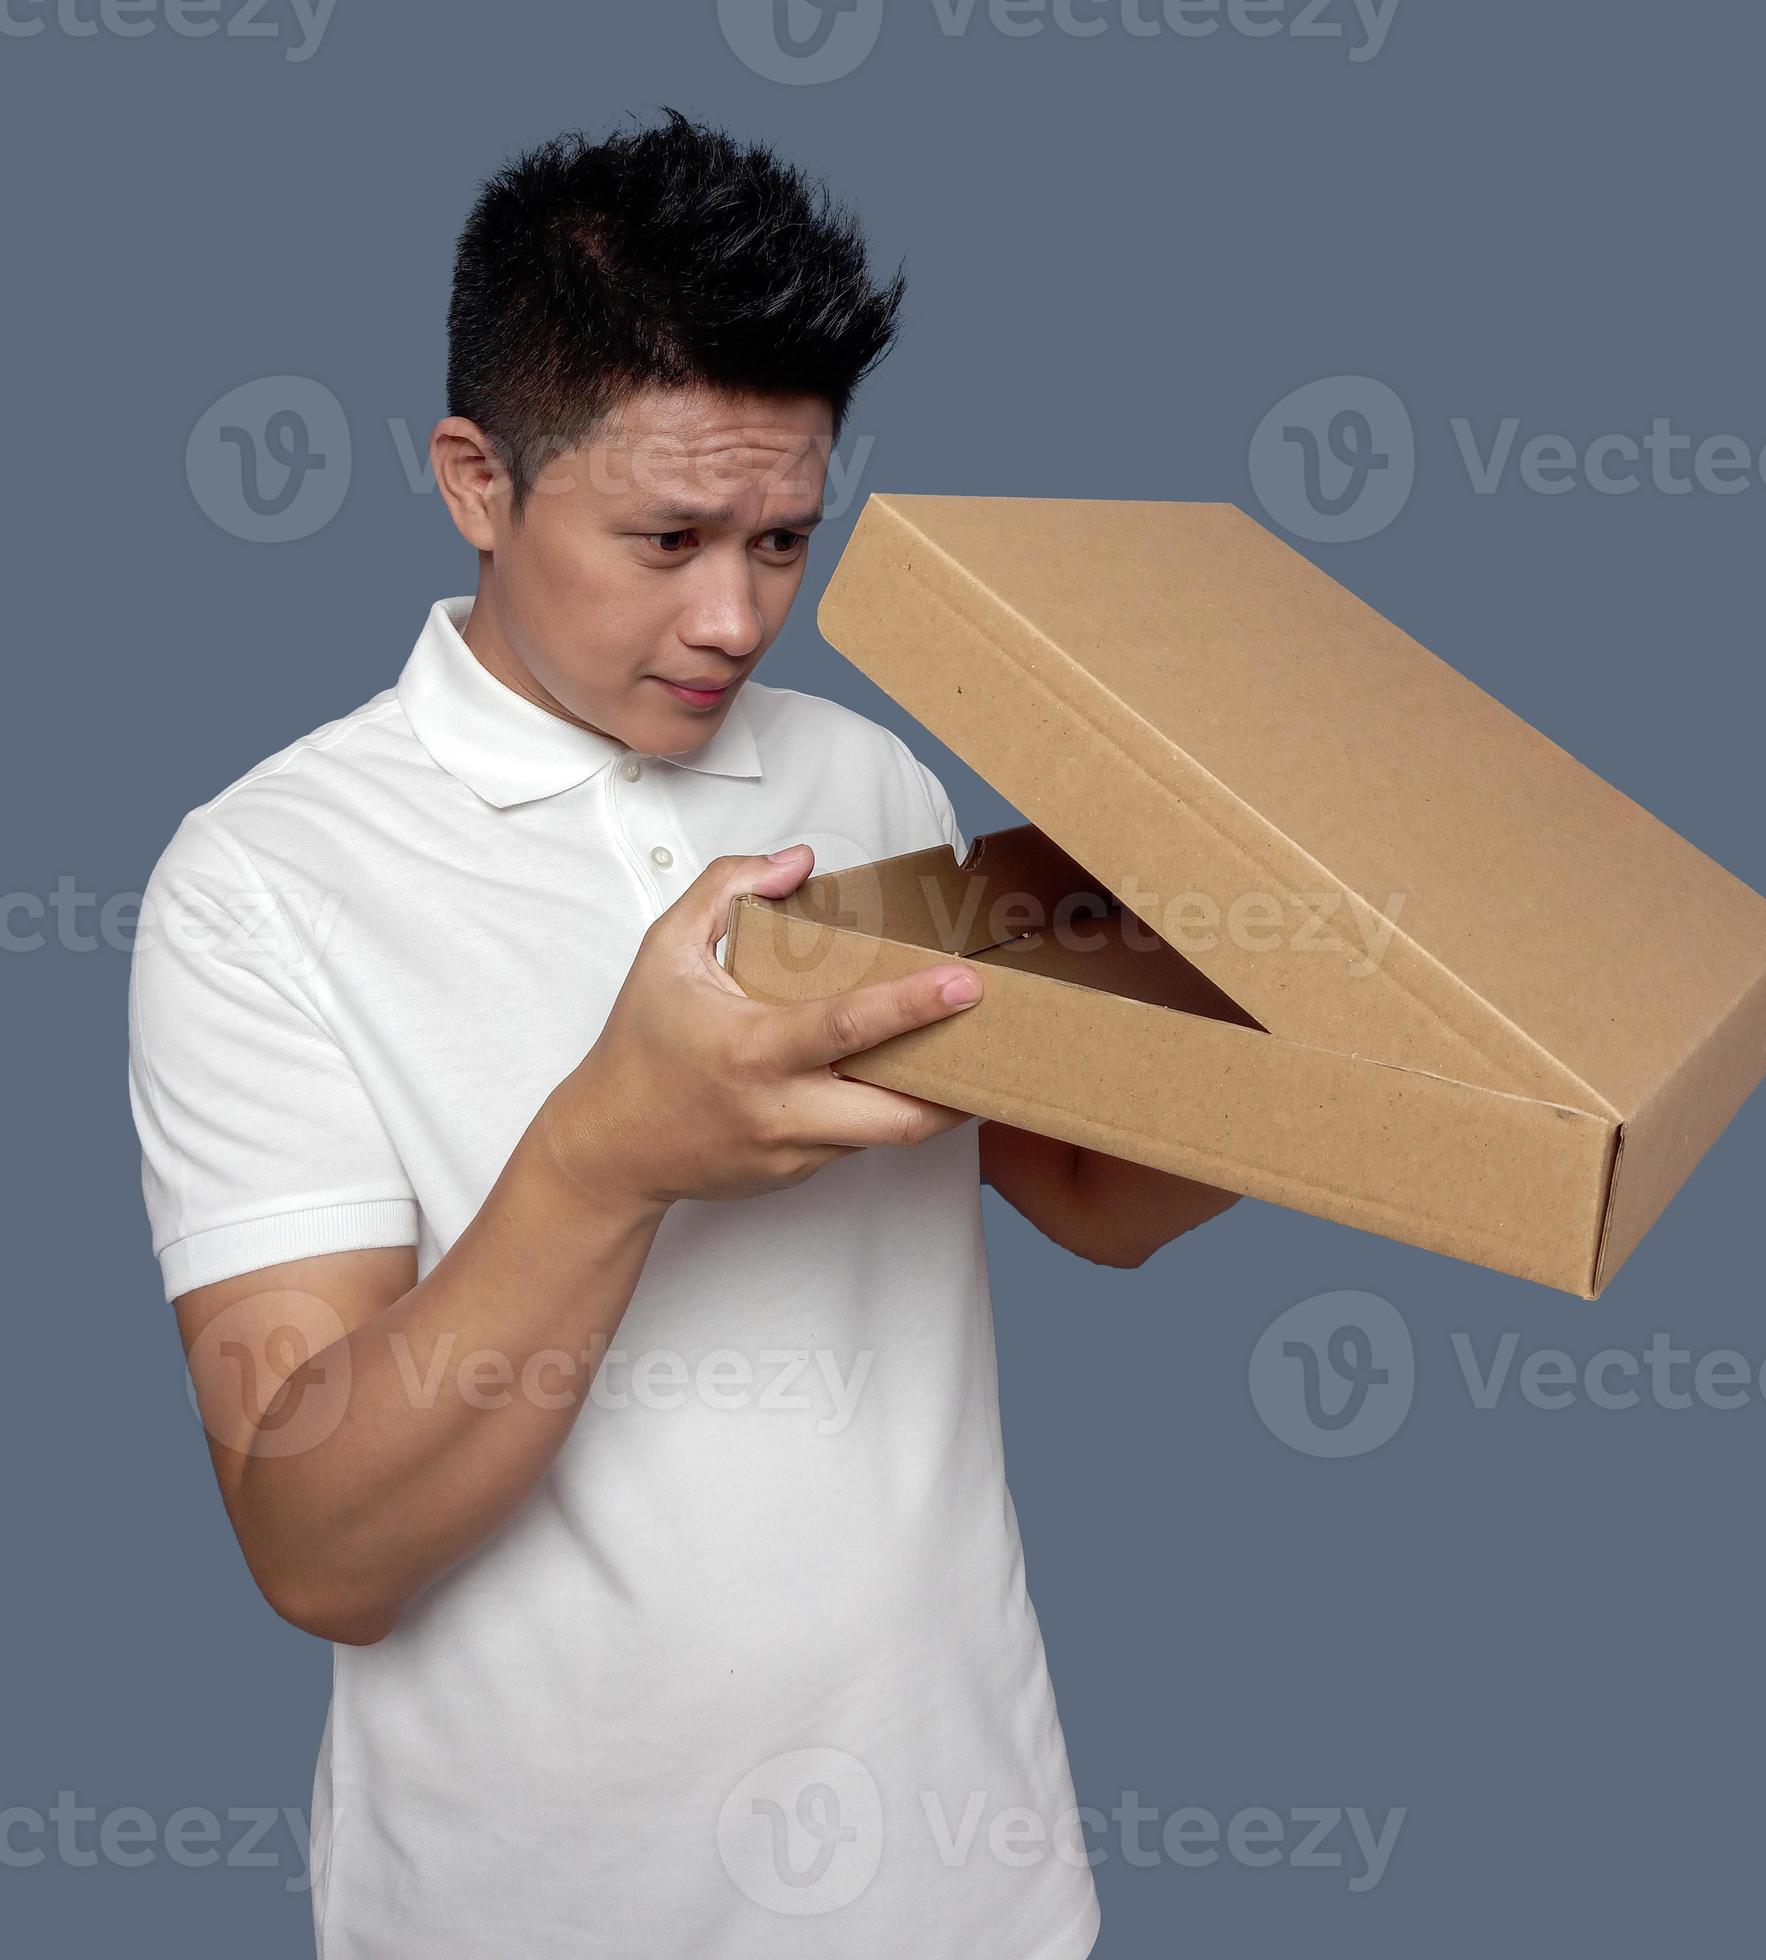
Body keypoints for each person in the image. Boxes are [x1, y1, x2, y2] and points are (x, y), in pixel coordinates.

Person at [126, 109, 1232, 1957]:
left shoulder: (862, 776)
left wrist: (1328, 1042)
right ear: (476, 482)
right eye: (667, 539)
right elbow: (316, 1549)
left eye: (785, 539)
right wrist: (607, 1155)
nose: (735, 618)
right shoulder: (263, 881)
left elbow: (1086, 1198)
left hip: (966, 1883)